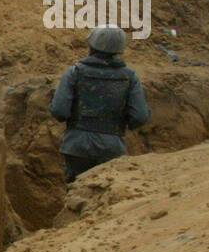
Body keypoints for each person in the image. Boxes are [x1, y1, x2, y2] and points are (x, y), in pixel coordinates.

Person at [49, 26, 151, 182]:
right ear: (119, 50)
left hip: (77, 147)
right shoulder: (130, 77)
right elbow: (140, 116)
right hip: (112, 149)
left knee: (76, 195)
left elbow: (59, 111)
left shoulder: (74, 72)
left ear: (92, 46)